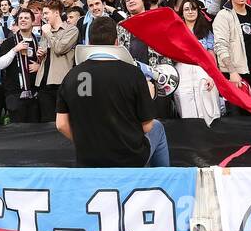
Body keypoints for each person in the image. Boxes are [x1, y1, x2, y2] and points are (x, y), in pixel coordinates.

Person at [56, 17, 168, 167]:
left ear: (89, 42)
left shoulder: (71, 75)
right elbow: (147, 126)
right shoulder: (133, 74)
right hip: (129, 158)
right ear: (116, 42)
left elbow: (61, 124)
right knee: (157, 127)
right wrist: (148, 95)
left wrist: (86, 144)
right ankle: (163, 183)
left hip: (88, 158)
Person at [213, 0, 251, 107]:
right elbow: (220, 46)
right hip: (236, 74)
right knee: (239, 120)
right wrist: (232, 72)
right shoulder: (223, 16)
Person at [35, 0, 78, 120]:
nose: (44, 16)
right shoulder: (45, 31)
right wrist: (40, 54)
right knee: (46, 121)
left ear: (57, 13)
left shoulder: (71, 30)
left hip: (60, 81)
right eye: (43, 14)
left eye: (46, 13)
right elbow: (42, 51)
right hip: (44, 81)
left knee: (62, 121)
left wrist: (48, 33)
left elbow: (60, 49)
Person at [0, 10, 41, 123]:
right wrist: (15, 50)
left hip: (35, 94)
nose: (23, 20)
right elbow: (0, 65)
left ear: (33, 22)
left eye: (26, 18)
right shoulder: (9, 42)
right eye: (20, 18)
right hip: (15, 93)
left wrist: (40, 66)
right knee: (17, 130)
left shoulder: (39, 41)